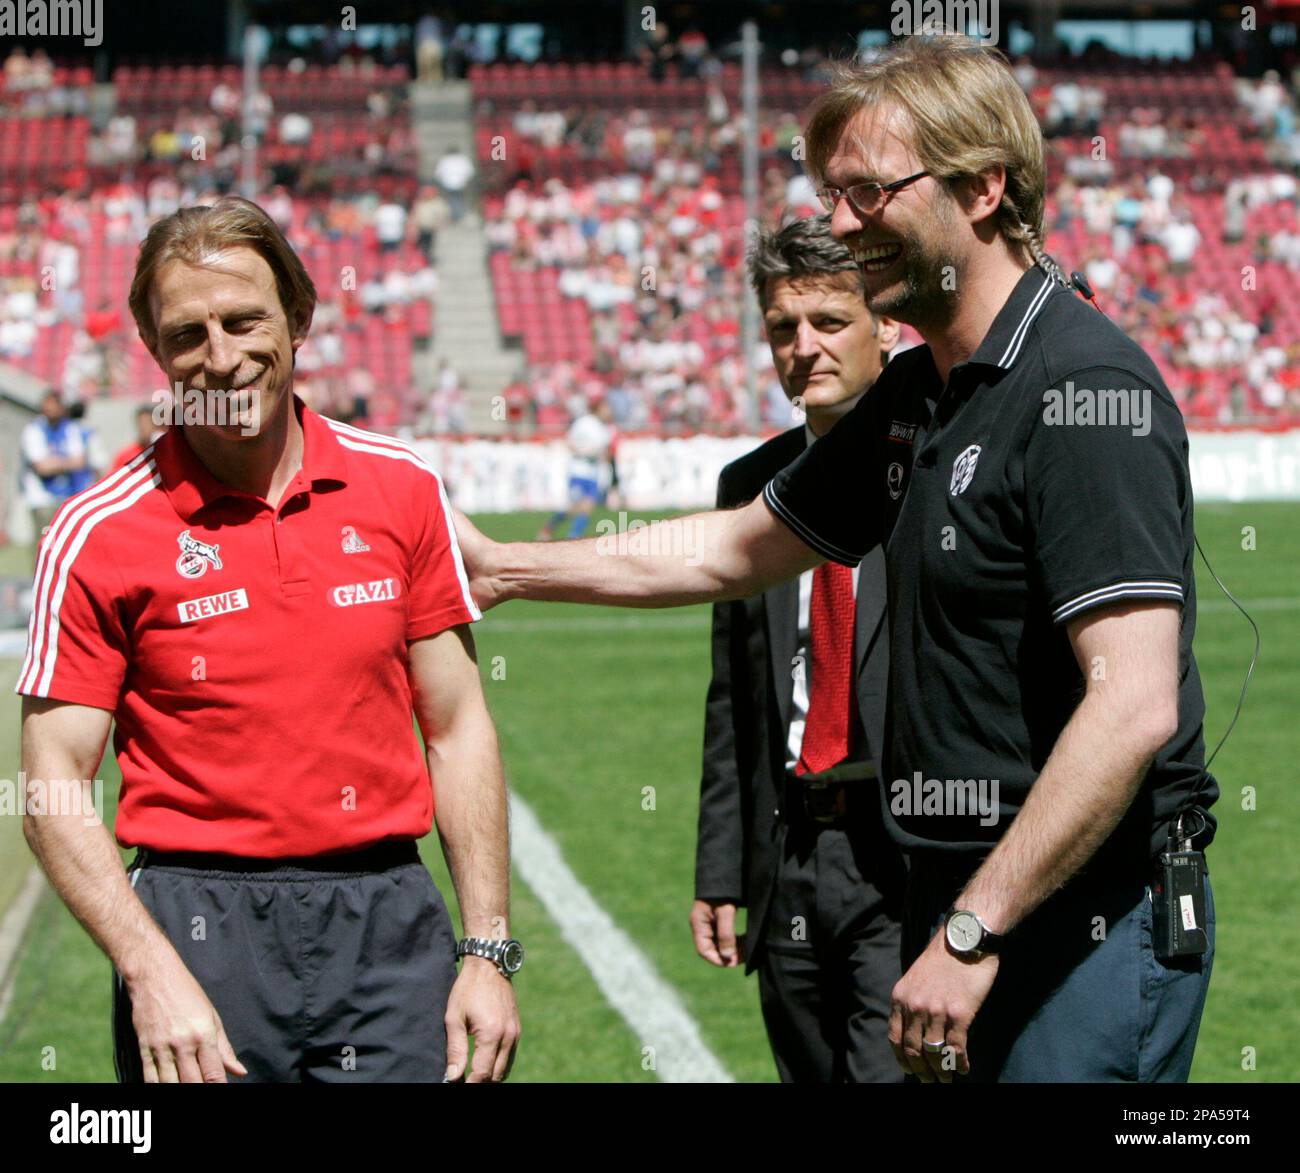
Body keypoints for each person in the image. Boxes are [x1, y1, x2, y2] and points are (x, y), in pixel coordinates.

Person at [454, 35, 1216, 1084]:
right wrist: (504, 568)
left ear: (984, 186)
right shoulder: (920, 396)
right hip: (965, 897)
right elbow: (732, 551)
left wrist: (969, 933)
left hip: (1081, 919)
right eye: (831, 195)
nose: (841, 226)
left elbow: (1131, 704)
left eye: (868, 193)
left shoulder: (1084, 388)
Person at [19, 196, 521, 1084]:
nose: (221, 357)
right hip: (196, 926)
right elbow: (54, 781)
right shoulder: (96, 530)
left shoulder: (401, 489)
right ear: (154, 350)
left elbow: (457, 725)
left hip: (387, 919)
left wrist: (487, 945)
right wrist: (150, 968)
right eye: (187, 335)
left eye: (244, 320)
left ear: (298, 315)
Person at [692, 215, 906, 1082]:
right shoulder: (747, 487)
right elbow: (733, 697)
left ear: (886, 324)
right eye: (784, 327)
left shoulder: (932, 462)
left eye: (829, 321)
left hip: (902, 851)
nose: (804, 347)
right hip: (791, 851)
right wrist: (720, 866)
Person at [20, 389, 88, 563]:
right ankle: (38, 586)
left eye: (54, 404)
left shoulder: (70, 428)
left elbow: (80, 461)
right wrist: (66, 462)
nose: (50, 408)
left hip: (69, 495)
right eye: (47, 404)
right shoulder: (33, 430)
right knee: (44, 546)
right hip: (41, 497)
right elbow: (42, 467)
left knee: (69, 547)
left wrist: (54, 463)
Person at [537, 399, 614, 541]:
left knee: (588, 506)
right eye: (606, 407)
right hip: (579, 470)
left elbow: (605, 453)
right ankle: (551, 525)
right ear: (597, 408)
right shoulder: (584, 423)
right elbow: (570, 442)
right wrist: (584, 451)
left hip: (593, 473)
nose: (609, 411)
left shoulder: (605, 429)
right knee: (574, 507)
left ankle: (574, 536)